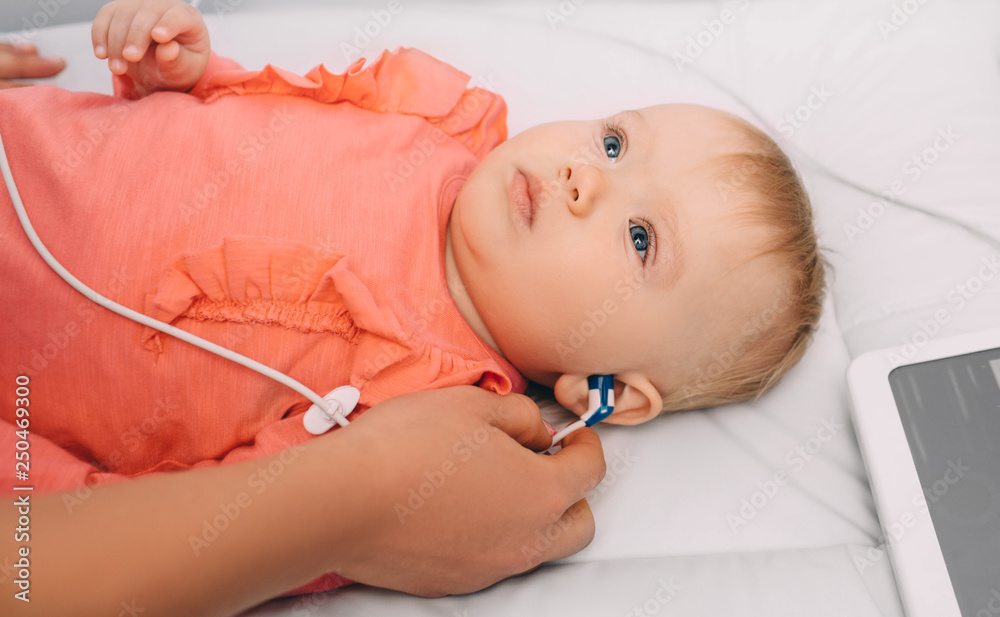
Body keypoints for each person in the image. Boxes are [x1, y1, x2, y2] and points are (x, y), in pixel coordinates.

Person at [0, 0, 824, 611]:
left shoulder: (432, 421)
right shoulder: (434, 127)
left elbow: (242, 516)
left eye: (640, 238)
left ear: (603, 388)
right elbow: (251, 115)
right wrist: (175, 76)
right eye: (614, 142)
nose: (588, 176)